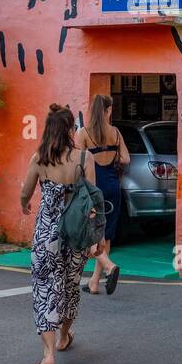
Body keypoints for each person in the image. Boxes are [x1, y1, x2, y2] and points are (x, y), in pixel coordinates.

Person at [20, 104, 102, 364]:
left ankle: (48, 354)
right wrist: (95, 239)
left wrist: (24, 205)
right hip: (75, 235)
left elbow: (26, 192)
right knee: (69, 288)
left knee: (45, 289)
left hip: (46, 234)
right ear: (70, 129)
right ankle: (65, 335)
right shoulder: (84, 159)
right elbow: (93, 202)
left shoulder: (39, 159)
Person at [75, 94, 129, 295]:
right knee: (106, 234)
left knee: (88, 232)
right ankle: (94, 283)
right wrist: (112, 157)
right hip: (113, 185)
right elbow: (126, 159)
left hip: (92, 187)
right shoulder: (115, 132)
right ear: (107, 111)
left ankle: (108, 267)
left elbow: (78, 163)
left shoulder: (83, 133)